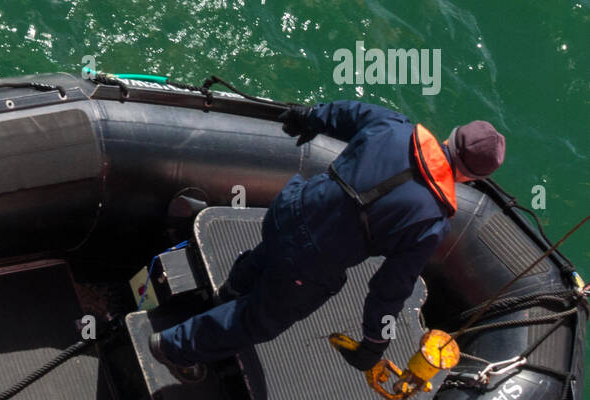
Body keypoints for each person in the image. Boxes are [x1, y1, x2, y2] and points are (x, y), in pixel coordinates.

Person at [149, 101, 506, 383]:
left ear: (451, 136)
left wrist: (309, 117)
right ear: (472, 178)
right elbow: (389, 289)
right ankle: (174, 348)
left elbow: (345, 112)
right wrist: (374, 344)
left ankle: (228, 293)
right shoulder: (431, 221)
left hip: (290, 208)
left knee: (265, 256)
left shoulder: (396, 126)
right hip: (309, 263)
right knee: (259, 320)